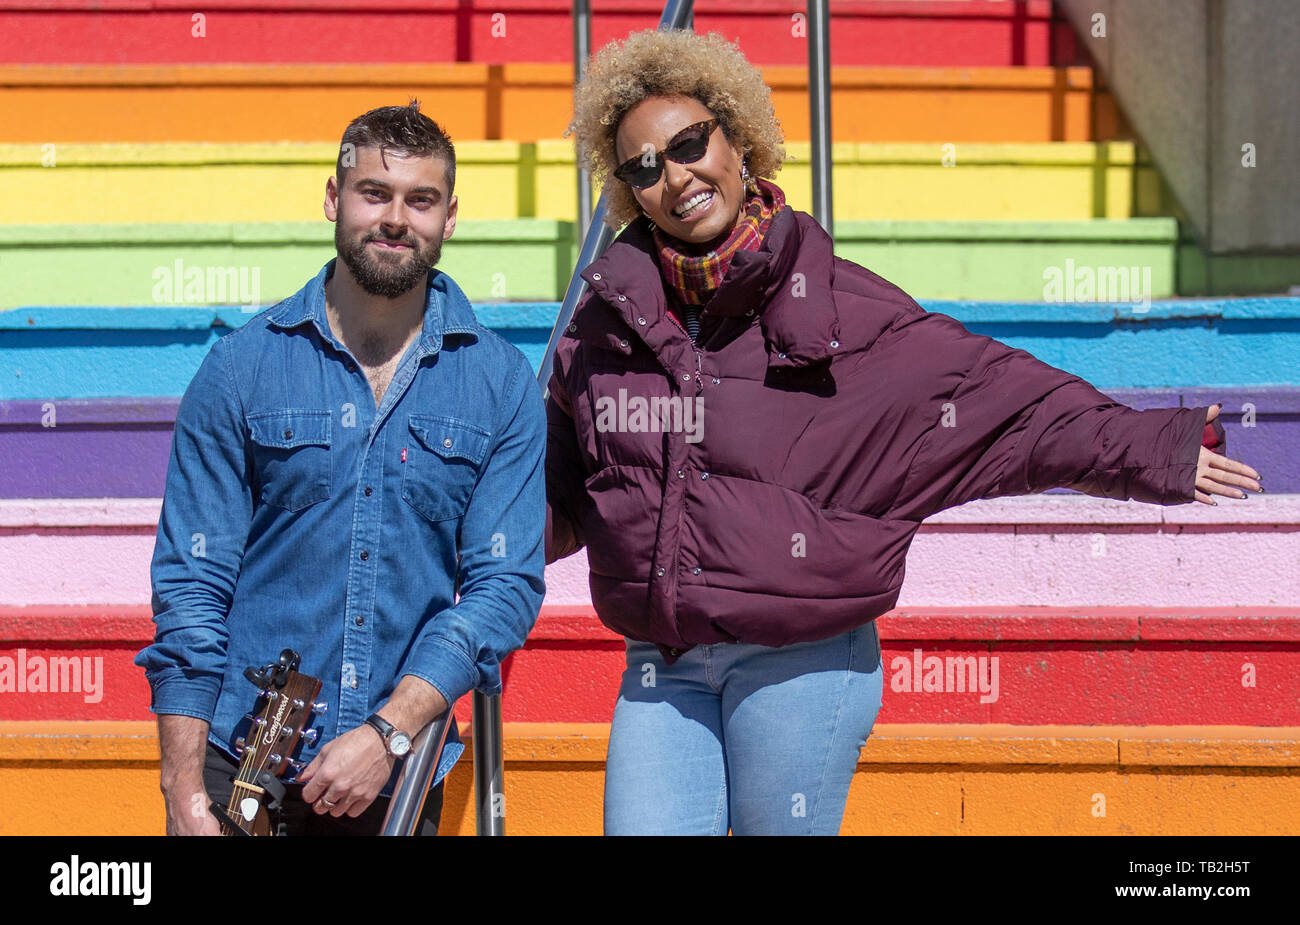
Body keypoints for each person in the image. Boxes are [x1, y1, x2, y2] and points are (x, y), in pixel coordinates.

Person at [545, 30, 1262, 836]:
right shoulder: (603, 328)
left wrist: (1151, 447)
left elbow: (1004, 402)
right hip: (661, 663)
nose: (675, 177)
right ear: (626, 192)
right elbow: (562, 494)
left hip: (802, 657)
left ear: (739, 141)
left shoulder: (846, 308)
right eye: (643, 166)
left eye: (688, 144)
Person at [136, 101, 547, 835]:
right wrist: (182, 787)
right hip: (238, 767)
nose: (397, 218)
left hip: (392, 775)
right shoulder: (240, 368)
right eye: (374, 193)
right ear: (333, 197)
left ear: (449, 217)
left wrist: (388, 732)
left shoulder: (501, 383)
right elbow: (191, 585)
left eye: (420, 200)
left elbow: (503, 586)